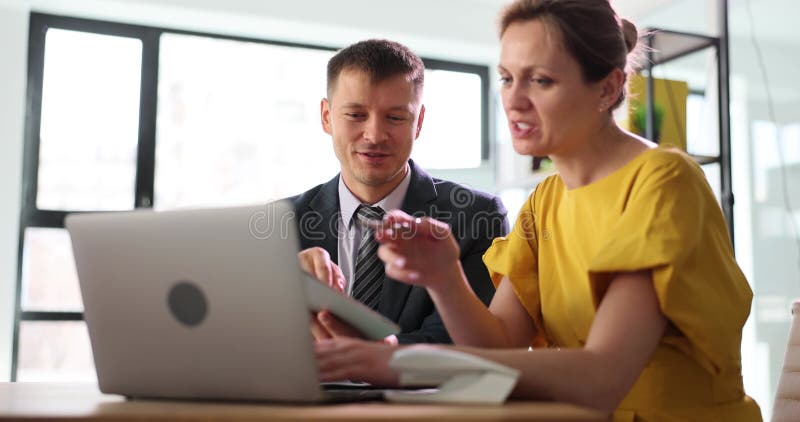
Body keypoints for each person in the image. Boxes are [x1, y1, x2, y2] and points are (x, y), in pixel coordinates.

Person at [313, 1, 762, 420]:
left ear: (608, 87)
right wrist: (444, 278)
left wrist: (399, 362)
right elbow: (501, 346)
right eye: (507, 78)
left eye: (540, 80)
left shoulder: (664, 181)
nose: (513, 100)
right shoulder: (546, 200)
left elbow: (603, 377)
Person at [289, 39, 509, 345]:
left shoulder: (477, 218)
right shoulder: (281, 224)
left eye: (395, 118)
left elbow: (461, 342)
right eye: (355, 115)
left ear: (418, 123)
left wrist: (362, 351)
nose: (375, 135)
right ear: (327, 116)